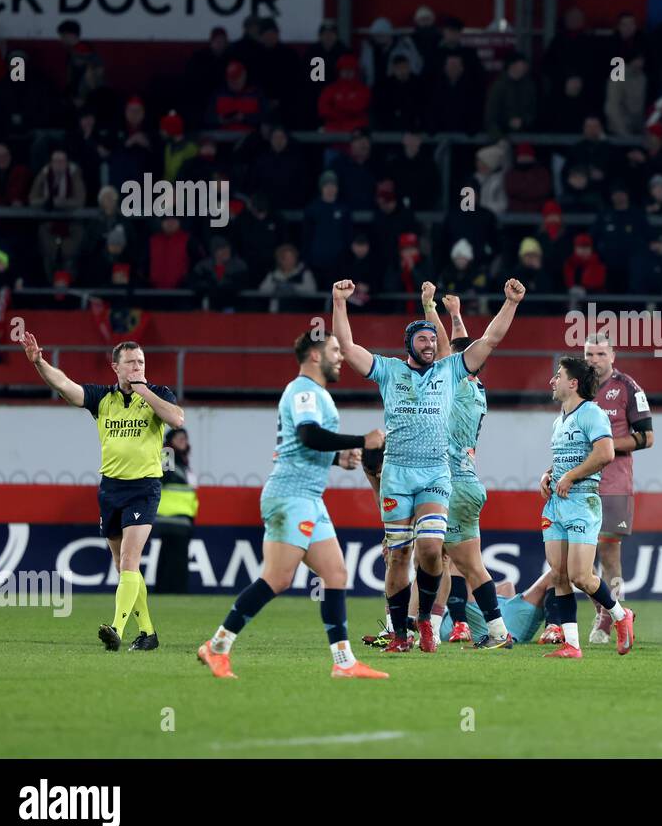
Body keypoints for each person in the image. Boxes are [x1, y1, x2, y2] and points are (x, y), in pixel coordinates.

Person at [333, 277, 525, 654]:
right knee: (398, 555)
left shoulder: (451, 371)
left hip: (436, 474)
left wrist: (511, 304)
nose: (430, 343)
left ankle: (425, 623)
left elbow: (489, 341)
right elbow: (348, 347)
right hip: (397, 475)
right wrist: (339, 303)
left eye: (433, 340)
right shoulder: (389, 371)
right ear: (409, 344)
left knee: (432, 549)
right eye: (423, 338)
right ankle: (400, 636)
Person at [197, 331, 387, 680]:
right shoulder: (303, 391)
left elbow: (298, 446)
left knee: (335, 574)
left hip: (310, 498)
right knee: (277, 579)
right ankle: (217, 646)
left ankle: (344, 663)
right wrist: (362, 440)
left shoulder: (315, 394)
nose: (341, 356)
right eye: (334, 350)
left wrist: (337, 458)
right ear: (314, 356)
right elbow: (308, 435)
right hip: (290, 495)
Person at [19, 336, 185, 652]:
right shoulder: (102, 398)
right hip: (111, 489)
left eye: (141, 362)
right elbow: (65, 386)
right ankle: (148, 633)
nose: (138, 367)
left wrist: (143, 390)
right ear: (116, 367)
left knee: (129, 560)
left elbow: (176, 418)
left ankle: (116, 631)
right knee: (125, 568)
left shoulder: (157, 394)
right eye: (132, 362)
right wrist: (39, 362)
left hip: (143, 488)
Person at [419, 292, 517, 649]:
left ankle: (414, 630)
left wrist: (430, 307)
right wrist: (456, 313)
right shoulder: (478, 388)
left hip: (450, 485)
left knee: (427, 557)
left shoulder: (455, 382)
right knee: (463, 564)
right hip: (470, 482)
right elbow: (469, 345)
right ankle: (491, 632)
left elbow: (451, 349)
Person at [537, 356, 634, 658]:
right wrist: (550, 473)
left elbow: (605, 453)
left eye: (558, 376)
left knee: (581, 576)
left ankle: (621, 616)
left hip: (582, 501)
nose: (552, 381)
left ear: (573, 383)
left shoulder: (591, 413)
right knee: (559, 575)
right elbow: (568, 457)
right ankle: (572, 645)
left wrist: (572, 476)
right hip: (556, 504)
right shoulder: (559, 420)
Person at [580, 334, 655, 644]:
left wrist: (605, 447)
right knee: (580, 559)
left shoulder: (628, 388)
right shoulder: (577, 386)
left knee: (609, 554)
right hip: (581, 480)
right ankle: (607, 612)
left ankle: (610, 618)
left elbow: (647, 437)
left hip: (614, 484)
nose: (593, 359)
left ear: (613, 356)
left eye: (600, 353)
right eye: (589, 354)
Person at [153, 428, 198, 594]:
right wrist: (166, 451)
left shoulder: (183, 463)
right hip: (171, 516)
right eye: (179, 438)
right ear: (170, 440)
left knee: (168, 554)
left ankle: (163, 590)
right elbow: (163, 477)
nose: (183, 440)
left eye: (185, 438)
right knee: (176, 557)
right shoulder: (168, 454)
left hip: (181, 516)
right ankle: (175, 590)